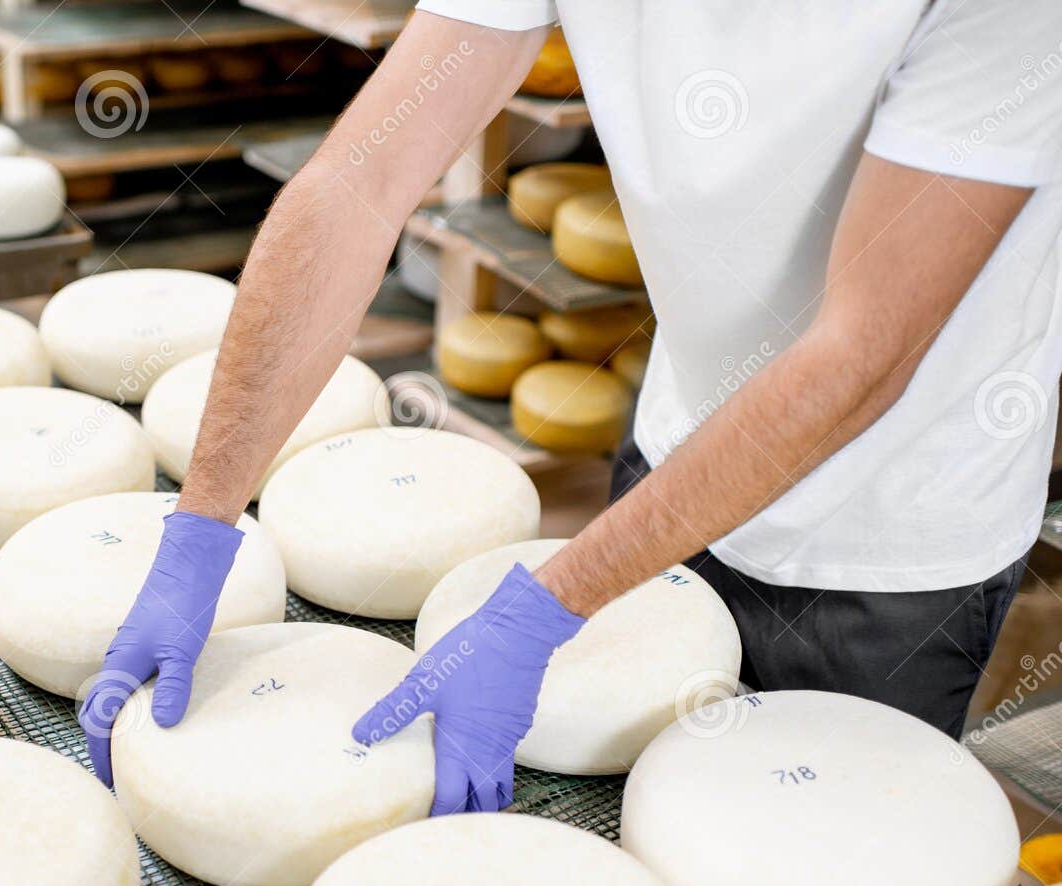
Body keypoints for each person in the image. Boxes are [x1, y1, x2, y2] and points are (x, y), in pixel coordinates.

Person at [82, 0, 1062, 815]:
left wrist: (546, 607)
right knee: (617, 813)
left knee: (810, 861)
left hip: (895, 530)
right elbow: (355, 186)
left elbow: (859, 354)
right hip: (690, 446)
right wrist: (203, 522)